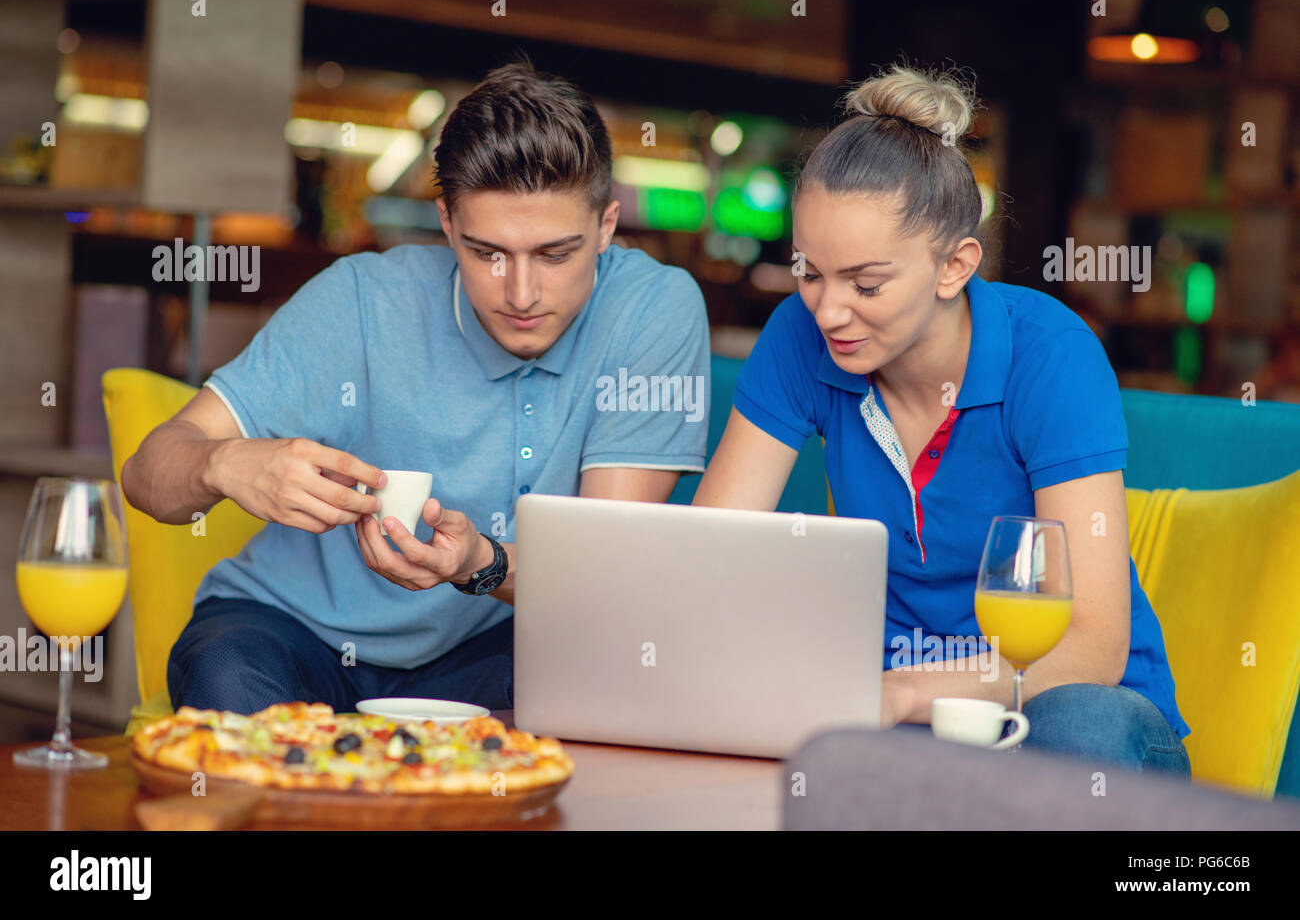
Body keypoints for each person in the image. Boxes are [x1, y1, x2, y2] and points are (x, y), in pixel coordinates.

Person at [123, 60, 710, 715]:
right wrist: (225, 464)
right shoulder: (362, 301)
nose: (521, 294)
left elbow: (609, 573)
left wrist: (480, 565)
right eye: (488, 251)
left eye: (554, 254)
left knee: (599, 681)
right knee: (226, 679)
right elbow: (146, 476)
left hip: (484, 654)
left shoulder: (651, 310)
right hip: (292, 631)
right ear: (448, 224)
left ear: (606, 226)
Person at [693, 64, 1190, 774]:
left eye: (866, 283)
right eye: (808, 272)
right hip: (895, 719)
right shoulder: (799, 336)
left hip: (1067, 722)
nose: (829, 310)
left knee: (1081, 725)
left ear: (955, 266)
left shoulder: (1050, 354)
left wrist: (900, 693)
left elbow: (1092, 647)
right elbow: (712, 554)